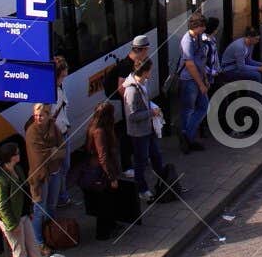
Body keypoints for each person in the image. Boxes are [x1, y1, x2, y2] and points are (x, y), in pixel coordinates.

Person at [0, 143, 46, 257]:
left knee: (33, 247)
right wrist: (11, 224)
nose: (19, 155)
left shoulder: (18, 169)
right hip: (13, 221)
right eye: (17, 153)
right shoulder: (2, 178)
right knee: (20, 252)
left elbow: (25, 191)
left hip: (23, 215)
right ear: (11, 157)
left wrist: (29, 210)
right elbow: (2, 205)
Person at [124, 60, 178, 202]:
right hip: (139, 133)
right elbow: (132, 116)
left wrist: (152, 109)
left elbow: (145, 104)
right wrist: (151, 113)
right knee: (140, 161)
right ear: (145, 72)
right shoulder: (131, 90)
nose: (151, 73)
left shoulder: (142, 84)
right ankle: (142, 190)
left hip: (148, 129)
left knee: (156, 156)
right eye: (150, 70)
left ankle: (165, 184)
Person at [82, 101, 135, 239]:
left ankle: (111, 225)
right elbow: (103, 157)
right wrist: (112, 177)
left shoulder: (94, 127)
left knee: (107, 201)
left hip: (100, 170)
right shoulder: (99, 132)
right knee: (104, 202)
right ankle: (103, 232)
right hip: (101, 173)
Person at [23, 102, 65, 241]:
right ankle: (39, 241)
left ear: (47, 115)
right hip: (39, 176)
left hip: (55, 171)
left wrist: (55, 152)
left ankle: (50, 234)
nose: (38, 118)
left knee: (52, 205)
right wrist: (53, 151)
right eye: (36, 115)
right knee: (39, 209)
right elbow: (39, 156)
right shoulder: (32, 132)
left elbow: (63, 149)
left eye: (41, 115)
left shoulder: (53, 127)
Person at [177, 15, 216, 152]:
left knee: (203, 106)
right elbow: (190, 65)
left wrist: (205, 79)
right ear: (196, 26)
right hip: (189, 80)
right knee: (188, 109)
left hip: (198, 78)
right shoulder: (187, 41)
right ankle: (187, 138)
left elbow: (201, 60)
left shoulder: (198, 37)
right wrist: (201, 84)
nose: (204, 28)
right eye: (202, 26)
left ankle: (187, 136)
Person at [51, 56, 73, 205]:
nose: (64, 78)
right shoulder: (49, 93)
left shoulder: (59, 87)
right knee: (59, 168)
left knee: (65, 166)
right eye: (63, 75)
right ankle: (60, 197)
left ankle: (62, 195)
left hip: (64, 132)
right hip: (57, 136)